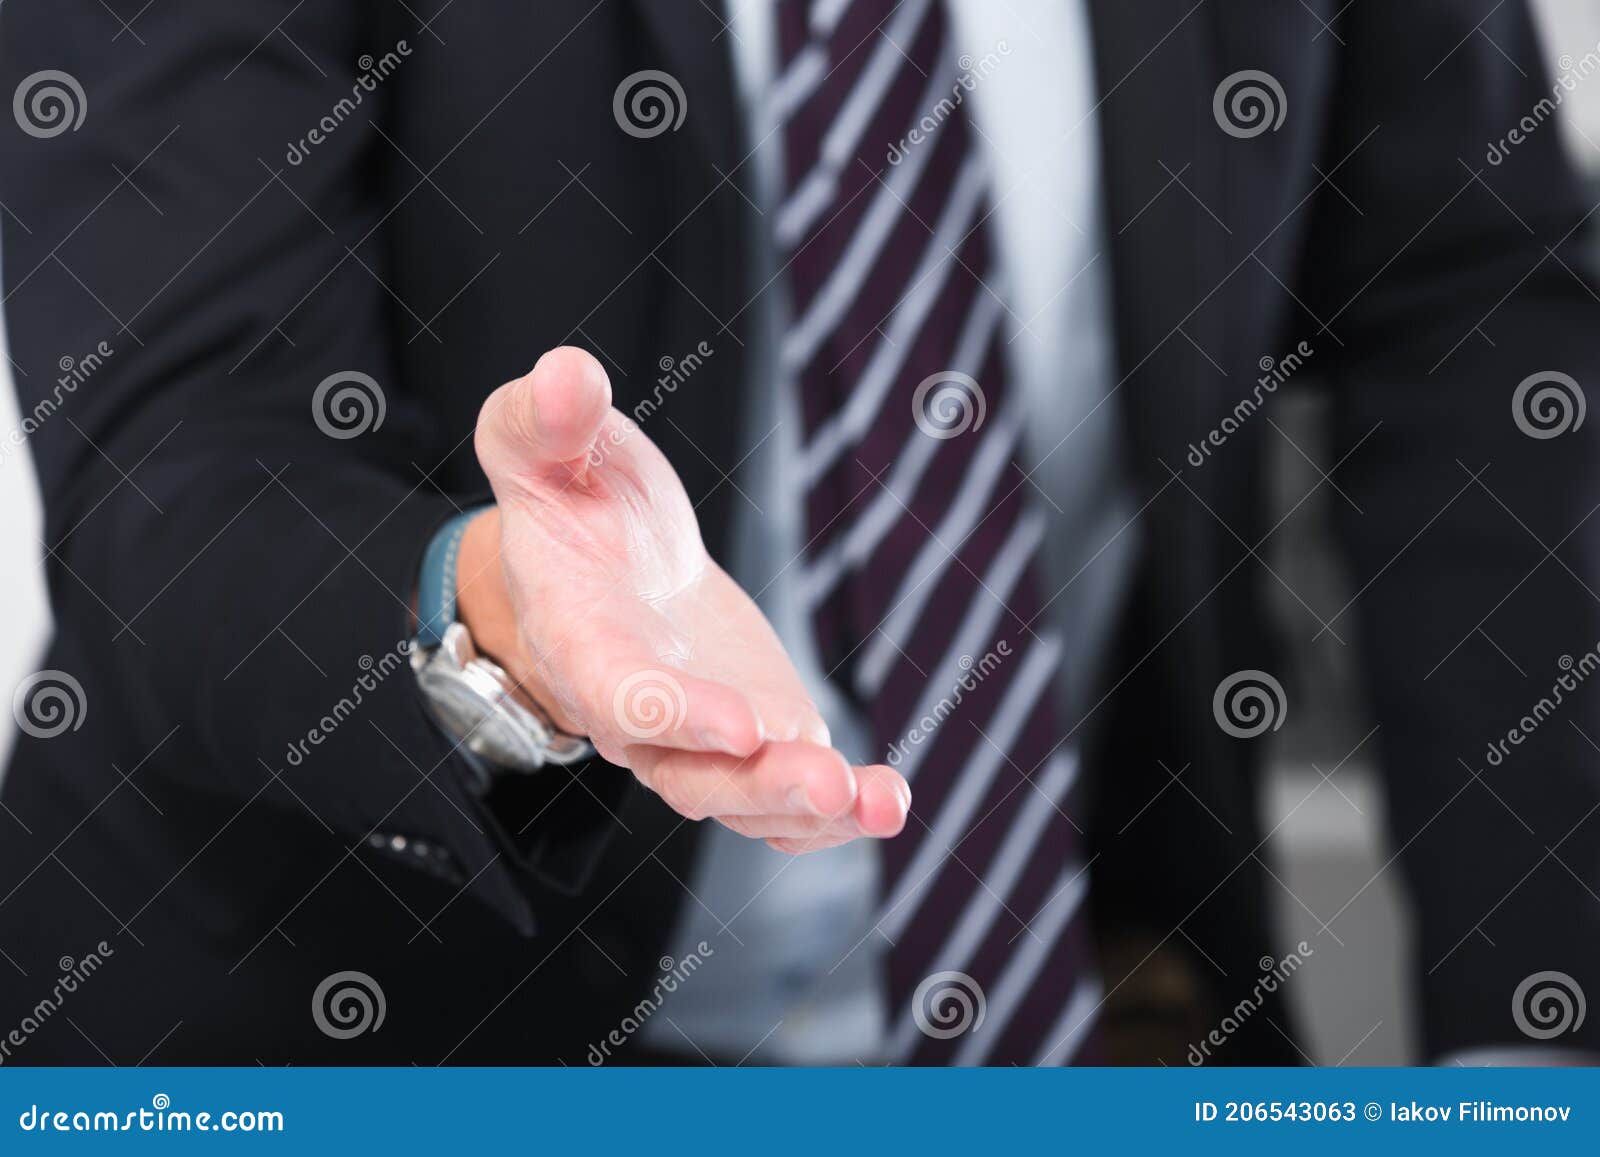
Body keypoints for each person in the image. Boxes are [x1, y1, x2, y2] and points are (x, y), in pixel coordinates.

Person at [1, 0, 1597, 1066]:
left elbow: (1473, 308)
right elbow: (178, 454)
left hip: (1084, 1005)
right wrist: (497, 626)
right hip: (349, 1031)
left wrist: (1534, 1028)